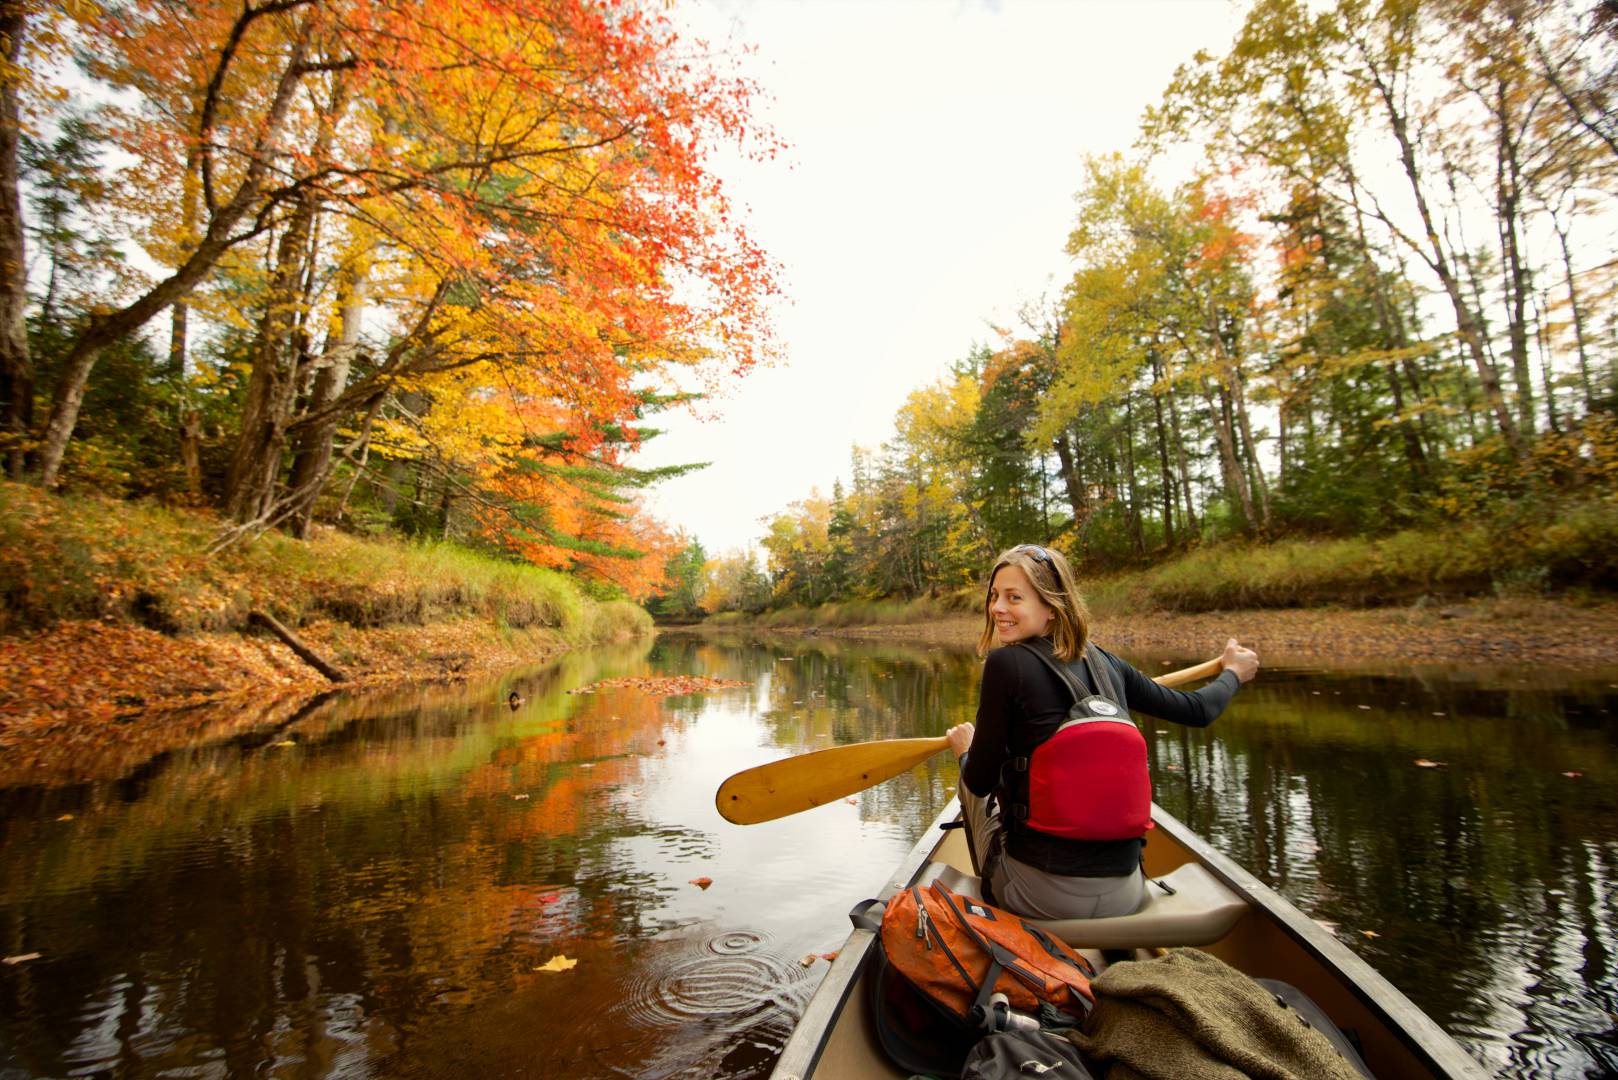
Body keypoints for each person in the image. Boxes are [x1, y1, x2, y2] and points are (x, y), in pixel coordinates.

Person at [944, 544, 1259, 921]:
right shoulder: (1109, 663)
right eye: (994, 596)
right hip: (1127, 891)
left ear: (1052, 605)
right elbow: (1199, 710)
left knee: (970, 785)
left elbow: (980, 781)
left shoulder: (1005, 663)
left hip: (1042, 897)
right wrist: (1233, 672)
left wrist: (967, 749)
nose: (997, 609)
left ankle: (998, 916)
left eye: (1014, 598)